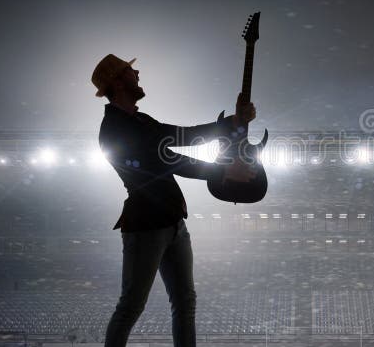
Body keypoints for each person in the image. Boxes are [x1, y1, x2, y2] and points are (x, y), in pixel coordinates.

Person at [91, 54, 256, 347]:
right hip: (145, 227)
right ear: (117, 82)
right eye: (131, 70)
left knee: (184, 302)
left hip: (172, 223)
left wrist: (232, 123)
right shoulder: (115, 130)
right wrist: (223, 171)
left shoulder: (139, 120)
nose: (137, 72)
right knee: (131, 307)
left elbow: (182, 135)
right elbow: (169, 161)